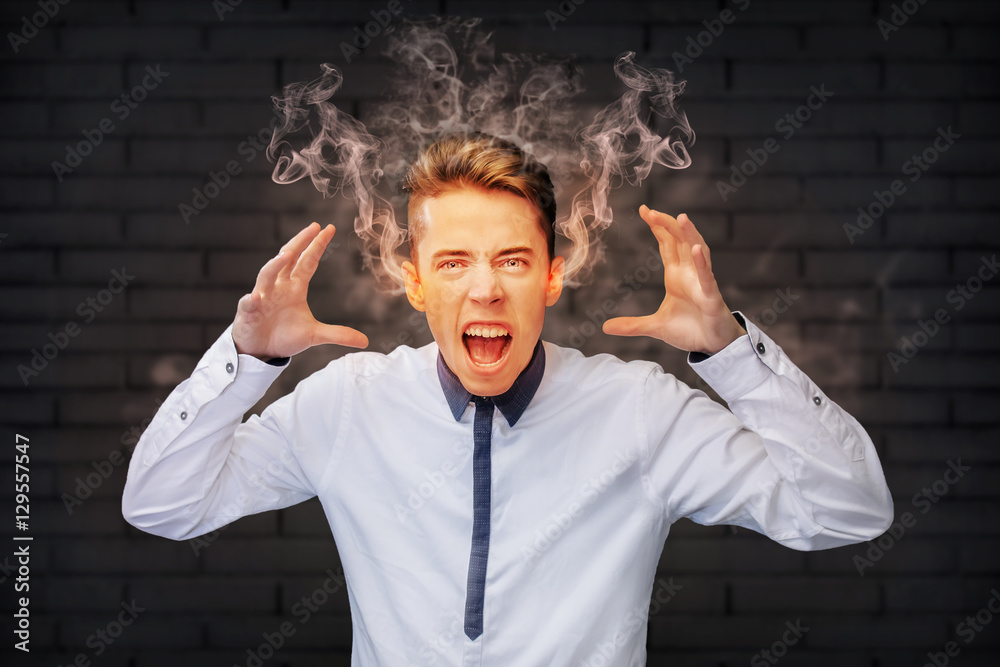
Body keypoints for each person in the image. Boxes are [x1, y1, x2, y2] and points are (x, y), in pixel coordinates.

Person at [122, 132, 894, 666]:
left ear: (552, 275)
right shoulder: (345, 406)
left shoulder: (641, 414)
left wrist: (730, 354)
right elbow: (162, 503)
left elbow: (849, 509)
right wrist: (248, 359)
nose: (485, 287)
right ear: (415, 279)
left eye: (513, 259)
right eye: (454, 261)